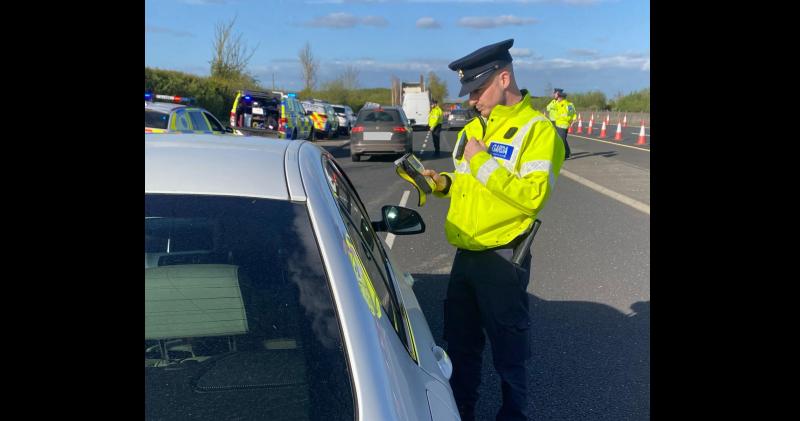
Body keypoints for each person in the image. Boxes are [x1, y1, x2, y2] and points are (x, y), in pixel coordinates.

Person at [420, 39, 565, 421]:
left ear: (504, 78)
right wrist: (440, 183)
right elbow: (467, 182)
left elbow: (531, 196)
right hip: (465, 254)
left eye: (477, 89)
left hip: (502, 257)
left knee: (508, 349)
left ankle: (513, 415)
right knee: (461, 344)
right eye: (468, 92)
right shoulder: (473, 129)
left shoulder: (538, 131)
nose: (471, 99)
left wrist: (482, 158)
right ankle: (461, 411)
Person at [546, 88, 576, 159]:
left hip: (563, 125)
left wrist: (571, 120)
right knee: (561, 140)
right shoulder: (557, 103)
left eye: (558, 96)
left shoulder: (568, 104)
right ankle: (566, 154)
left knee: (561, 141)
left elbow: (572, 114)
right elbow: (548, 108)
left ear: (561, 97)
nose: (557, 98)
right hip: (558, 123)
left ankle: (564, 155)